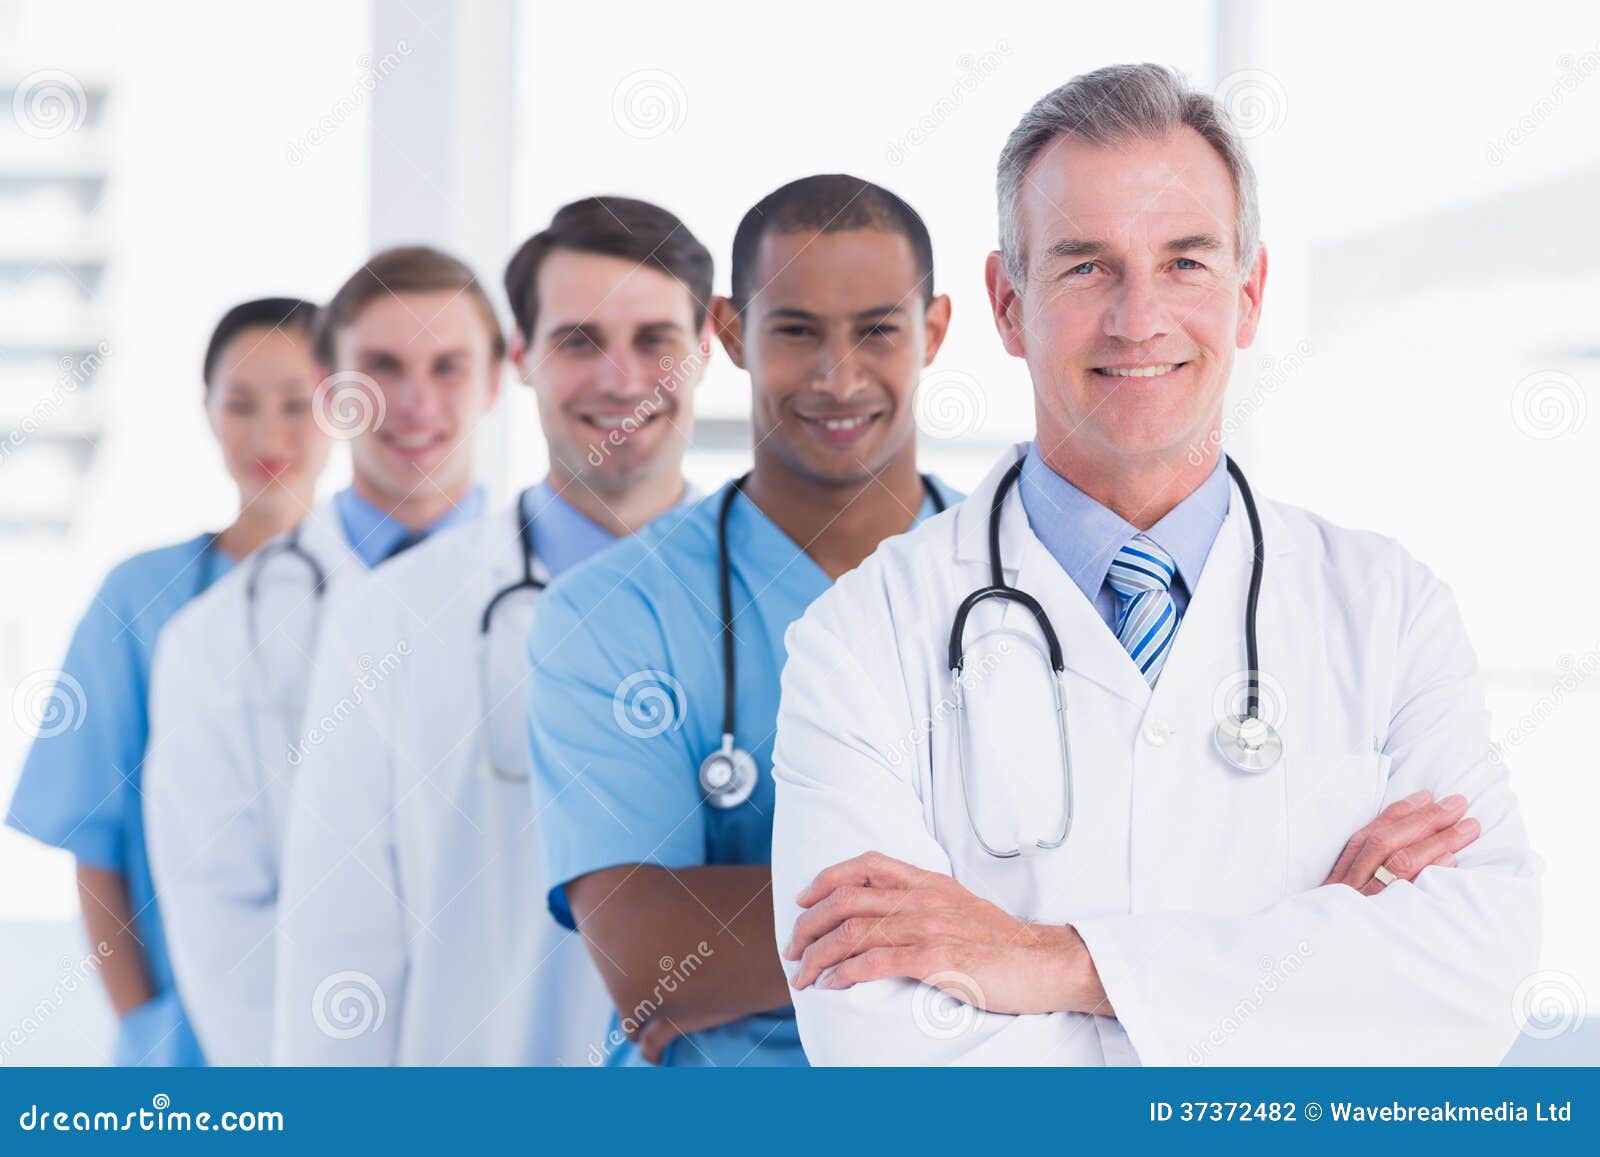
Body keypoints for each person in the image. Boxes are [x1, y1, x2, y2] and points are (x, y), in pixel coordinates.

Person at [771, 64, 1542, 1066]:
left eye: (1185, 263)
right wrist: (1315, 973)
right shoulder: (862, 637)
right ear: (1008, 304)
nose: (1139, 320)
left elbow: (1474, 985)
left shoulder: (1387, 610)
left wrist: (1054, 962)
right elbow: (890, 1060)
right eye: (1087, 266)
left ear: (1249, 291)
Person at [527, 174, 962, 1066]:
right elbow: (652, 958)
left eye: (877, 328)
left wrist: (765, 913)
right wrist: (996, 914)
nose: (837, 377)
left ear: (936, 329)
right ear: (730, 333)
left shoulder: (1023, 584)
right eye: (796, 330)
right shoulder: (610, 611)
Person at [272, 197, 712, 1065]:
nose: (621, 379)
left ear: (707, 349)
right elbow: (337, 945)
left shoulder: (788, 607)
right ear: (520, 358)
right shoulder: (392, 617)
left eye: (655, 340)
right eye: (579, 340)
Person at [144, 247, 504, 1065]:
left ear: (495, 380)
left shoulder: (562, 605)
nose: (414, 402)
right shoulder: (214, 639)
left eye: (449, 366)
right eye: (381, 366)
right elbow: (220, 923)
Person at [5, 297, 329, 1065]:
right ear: (208, 411)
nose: (269, 432)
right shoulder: (140, 599)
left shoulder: (388, 595)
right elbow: (98, 840)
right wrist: (150, 1026)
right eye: (241, 403)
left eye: (297, 403)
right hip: (186, 1040)